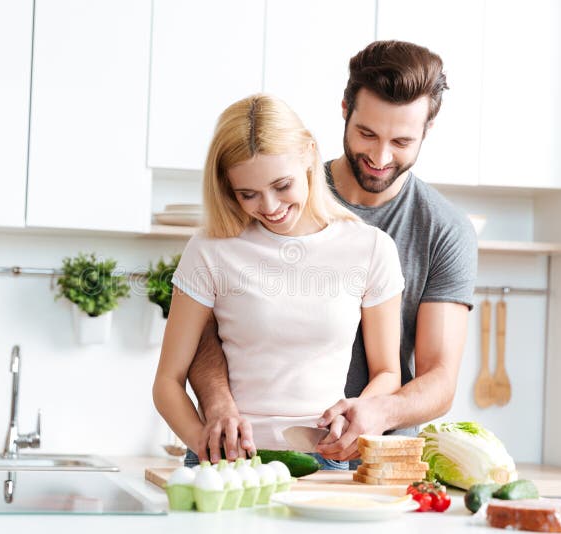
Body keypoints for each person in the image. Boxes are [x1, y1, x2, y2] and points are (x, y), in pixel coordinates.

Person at [187, 40, 478, 464]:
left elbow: (440, 378)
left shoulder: (443, 231)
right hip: (255, 451)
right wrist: (217, 404)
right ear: (344, 108)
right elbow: (205, 329)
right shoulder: (278, 190)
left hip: (374, 460)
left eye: (401, 141)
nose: (380, 156)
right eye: (367, 134)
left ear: (426, 131)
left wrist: (378, 410)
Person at [152, 94, 405, 469]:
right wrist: (204, 444)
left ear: (309, 154)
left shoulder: (370, 248)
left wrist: (360, 415)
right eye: (248, 194)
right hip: (227, 464)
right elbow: (167, 383)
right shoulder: (210, 249)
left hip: (323, 458)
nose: (269, 206)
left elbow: (387, 372)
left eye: (282, 185)